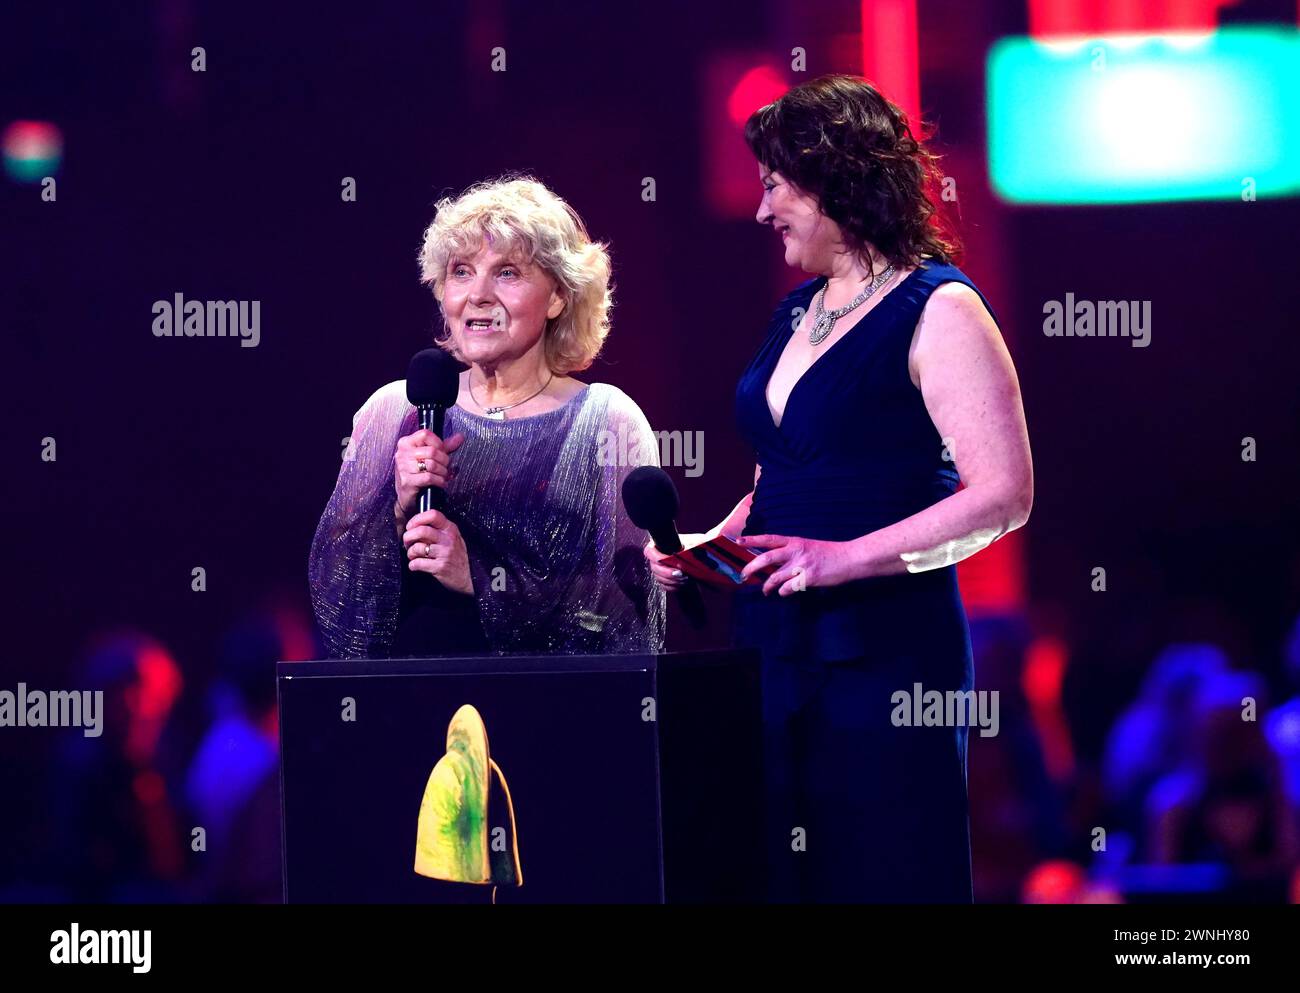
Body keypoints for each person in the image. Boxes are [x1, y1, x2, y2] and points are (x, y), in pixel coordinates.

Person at [646, 75, 1033, 902]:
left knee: (881, 867)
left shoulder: (942, 307)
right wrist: (704, 548)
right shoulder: (794, 313)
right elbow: (779, 480)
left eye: (776, 186)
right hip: (772, 638)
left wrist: (846, 560)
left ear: (837, 180)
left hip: (885, 644)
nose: (762, 211)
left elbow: (1004, 494)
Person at [311, 176, 664, 658]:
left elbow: (625, 619)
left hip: (547, 714)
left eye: (507, 273)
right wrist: (395, 513)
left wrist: (480, 581)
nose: (477, 294)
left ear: (558, 296)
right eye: (460, 271)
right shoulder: (395, 412)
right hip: (409, 705)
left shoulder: (605, 422)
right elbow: (338, 609)